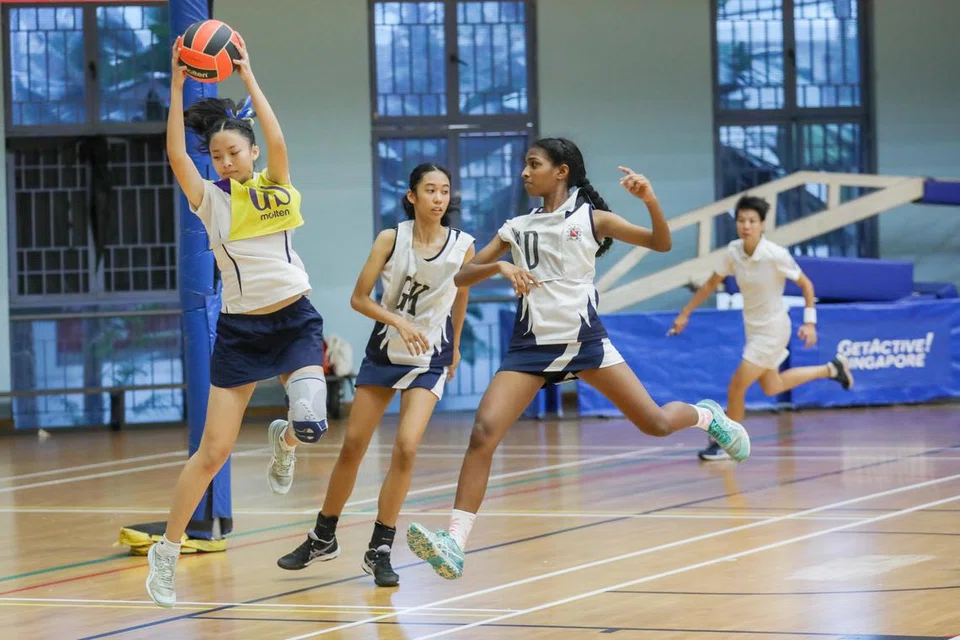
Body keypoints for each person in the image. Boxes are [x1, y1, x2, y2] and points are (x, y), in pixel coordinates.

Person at [404, 137, 750, 581]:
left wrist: (650, 200)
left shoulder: (592, 218)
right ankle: (454, 543)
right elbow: (462, 274)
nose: (525, 173)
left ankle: (706, 417)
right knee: (483, 433)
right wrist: (499, 267)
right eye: (525, 165)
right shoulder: (517, 226)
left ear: (561, 170)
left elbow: (660, 242)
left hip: (585, 343)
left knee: (656, 424)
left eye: (534, 164)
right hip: (531, 348)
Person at [146, 37, 328, 608]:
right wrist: (177, 86)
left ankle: (287, 440)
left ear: (251, 153)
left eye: (234, 152)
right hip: (242, 331)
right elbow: (178, 155)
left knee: (312, 421)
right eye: (218, 155)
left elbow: (277, 136)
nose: (226, 161)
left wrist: (250, 79)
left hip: (296, 319)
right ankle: (168, 553)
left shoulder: (276, 187)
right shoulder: (210, 200)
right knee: (212, 453)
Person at [276, 163, 475, 586]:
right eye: (430, 190)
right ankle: (322, 536)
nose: (439, 198)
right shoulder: (392, 238)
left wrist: (454, 347)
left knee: (405, 448)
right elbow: (358, 298)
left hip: (430, 358)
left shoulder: (463, 246)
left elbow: (461, 296)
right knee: (353, 446)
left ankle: (380, 547)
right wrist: (398, 321)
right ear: (411, 196)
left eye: (444, 191)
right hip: (386, 351)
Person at [668, 195, 853, 461]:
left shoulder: (775, 255)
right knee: (773, 386)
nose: (746, 225)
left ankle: (727, 444)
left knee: (735, 388)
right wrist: (685, 314)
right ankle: (832, 368)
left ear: (762, 224)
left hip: (774, 330)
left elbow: (807, 285)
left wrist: (810, 322)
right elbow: (709, 284)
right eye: (742, 220)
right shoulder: (733, 252)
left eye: (752, 221)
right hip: (753, 329)